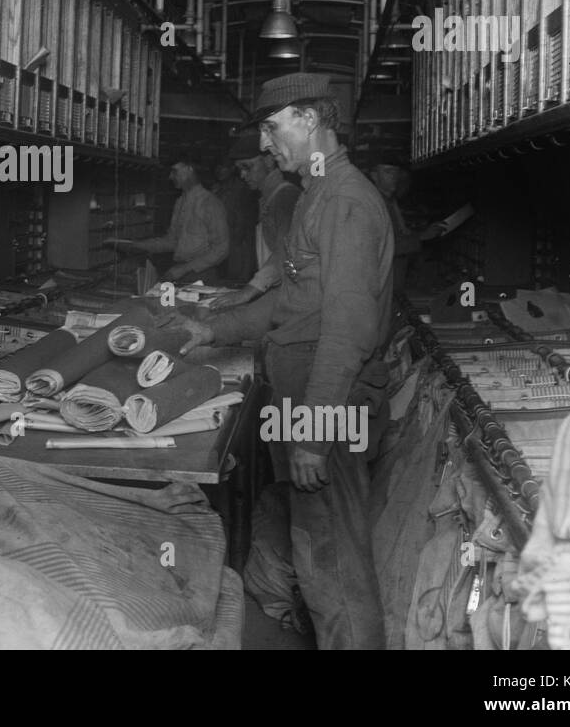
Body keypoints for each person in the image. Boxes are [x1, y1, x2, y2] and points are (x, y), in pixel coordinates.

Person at [174, 73, 394, 649]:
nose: (266, 145)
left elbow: (347, 330)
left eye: (273, 128)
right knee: (316, 554)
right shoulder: (318, 194)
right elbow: (291, 304)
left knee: (335, 567)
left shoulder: (344, 201)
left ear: (310, 120)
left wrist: (314, 435)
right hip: (305, 401)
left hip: (328, 410)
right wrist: (210, 329)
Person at [112, 156, 229, 283]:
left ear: (189, 170)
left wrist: (184, 269)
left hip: (203, 275)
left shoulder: (210, 202)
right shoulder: (180, 202)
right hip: (181, 272)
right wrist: (135, 245)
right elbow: (172, 241)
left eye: (174, 171)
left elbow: (221, 249)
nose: (170, 177)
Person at [220, 136, 301, 307]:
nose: (242, 175)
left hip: (288, 295)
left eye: (247, 167)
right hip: (276, 291)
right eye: (239, 169)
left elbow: (285, 252)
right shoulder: (267, 198)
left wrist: (250, 290)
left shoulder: (285, 197)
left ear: (270, 161)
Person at [369, 161, 443, 291]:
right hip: (384, 283)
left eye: (397, 172)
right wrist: (421, 237)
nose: (394, 177)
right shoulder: (375, 204)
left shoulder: (390, 201)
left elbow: (399, 235)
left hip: (395, 280)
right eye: (388, 171)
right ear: (374, 176)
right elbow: (382, 246)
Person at [211, 157, 257, 282]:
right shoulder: (216, 189)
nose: (219, 171)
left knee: (236, 278)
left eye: (223, 167)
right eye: (218, 167)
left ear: (232, 169)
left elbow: (243, 221)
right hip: (219, 242)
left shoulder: (242, 188)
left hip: (237, 242)